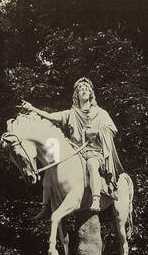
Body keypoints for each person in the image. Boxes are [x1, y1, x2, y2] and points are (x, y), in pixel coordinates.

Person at [20, 78, 123, 212]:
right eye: (81, 89)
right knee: (52, 166)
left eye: (87, 89)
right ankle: (46, 205)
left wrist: (96, 132)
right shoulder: (71, 113)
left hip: (94, 151)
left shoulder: (101, 113)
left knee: (92, 164)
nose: (84, 91)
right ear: (76, 95)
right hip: (75, 151)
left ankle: (96, 198)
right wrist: (33, 109)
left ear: (91, 94)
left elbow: (112, 130)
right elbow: (51, 116)